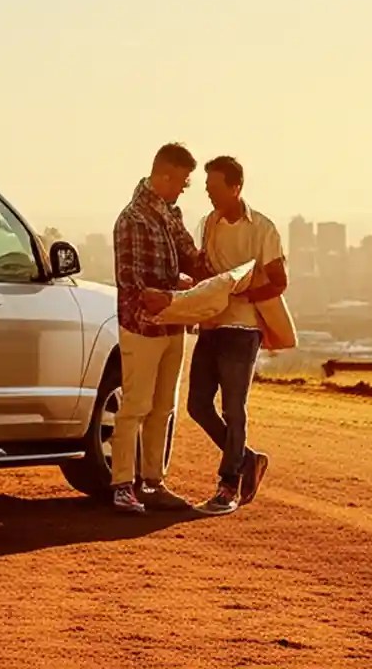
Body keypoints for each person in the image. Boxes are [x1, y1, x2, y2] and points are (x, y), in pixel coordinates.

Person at [147, 155, 288, 516]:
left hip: (242, 329)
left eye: (214, 187)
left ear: (235, 187)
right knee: (197, 405)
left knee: (233, 408)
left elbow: (279, 281)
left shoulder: (263, 229)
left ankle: (228, 485)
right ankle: (247, 459)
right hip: (211, 324)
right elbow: (205, 270)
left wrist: (240, 294)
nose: (208, 193)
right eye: (207, 187)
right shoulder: (209, 223)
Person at [110, 142, 214, 514]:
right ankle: (122, 485)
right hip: (142, 328)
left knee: (163, 407)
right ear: (165, 176)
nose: (184, 189)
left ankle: (153, 482)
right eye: (183, 182)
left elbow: (192, 258)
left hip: (173, 324)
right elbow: (132, 281)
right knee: (135, 406)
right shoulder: (132, 219)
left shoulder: (170, 214)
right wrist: (175, 288)